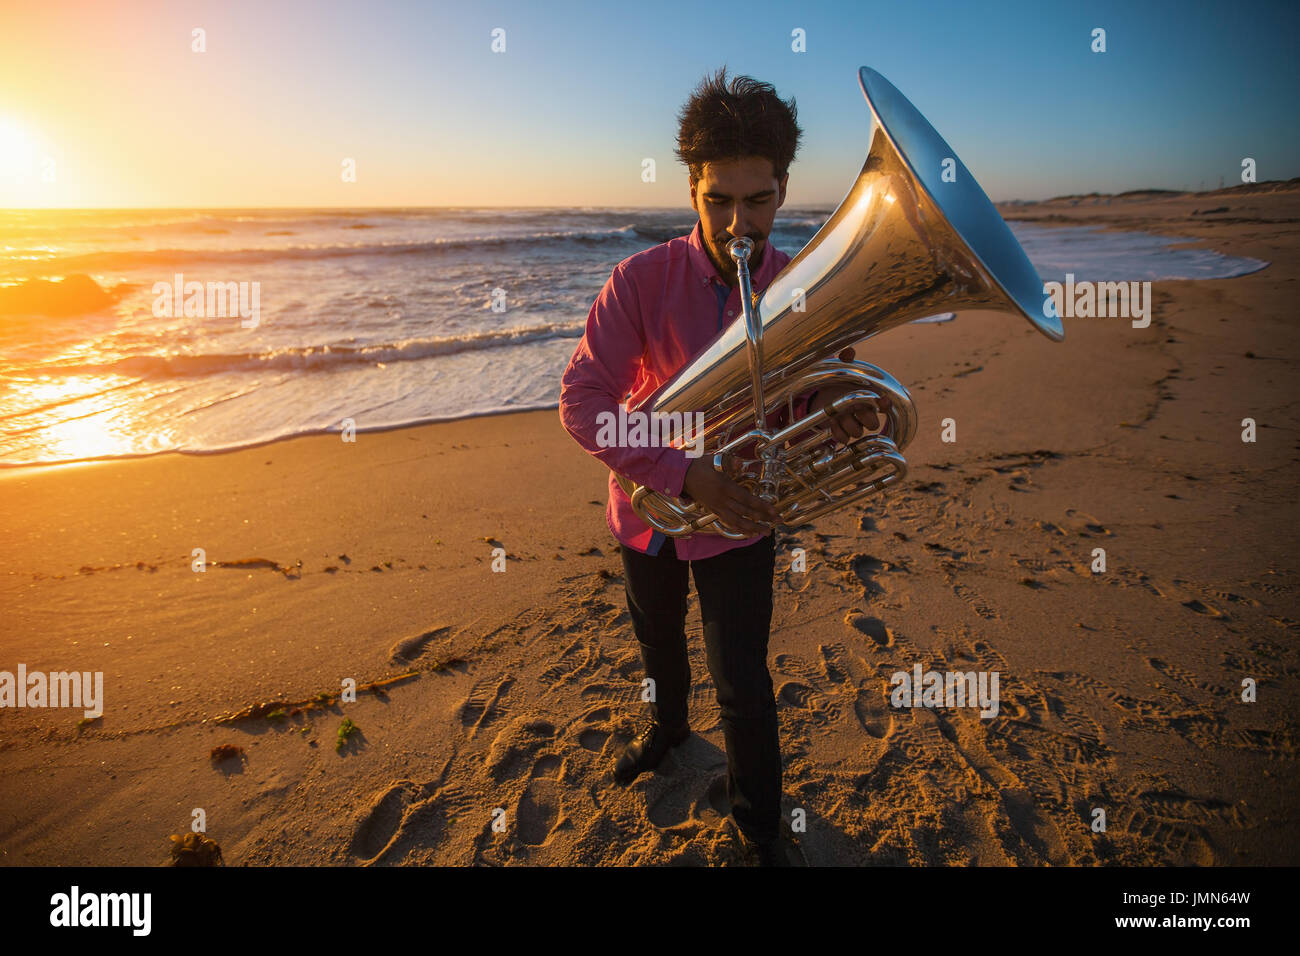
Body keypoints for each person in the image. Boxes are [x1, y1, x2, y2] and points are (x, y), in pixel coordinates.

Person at [558, 67, 878, 867]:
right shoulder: (637, 281)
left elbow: (805, 406)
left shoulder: (804, 290)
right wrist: (681, 472)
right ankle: (667, 732)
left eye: (759, 201)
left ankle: (758, 828)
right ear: (691, 191)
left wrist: (843, 416)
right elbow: (584, 402)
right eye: (718, 201)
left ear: (782, 189)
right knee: (658, 642)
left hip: (740, 520)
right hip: (649, 510)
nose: (741, 223)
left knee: (743, 680)